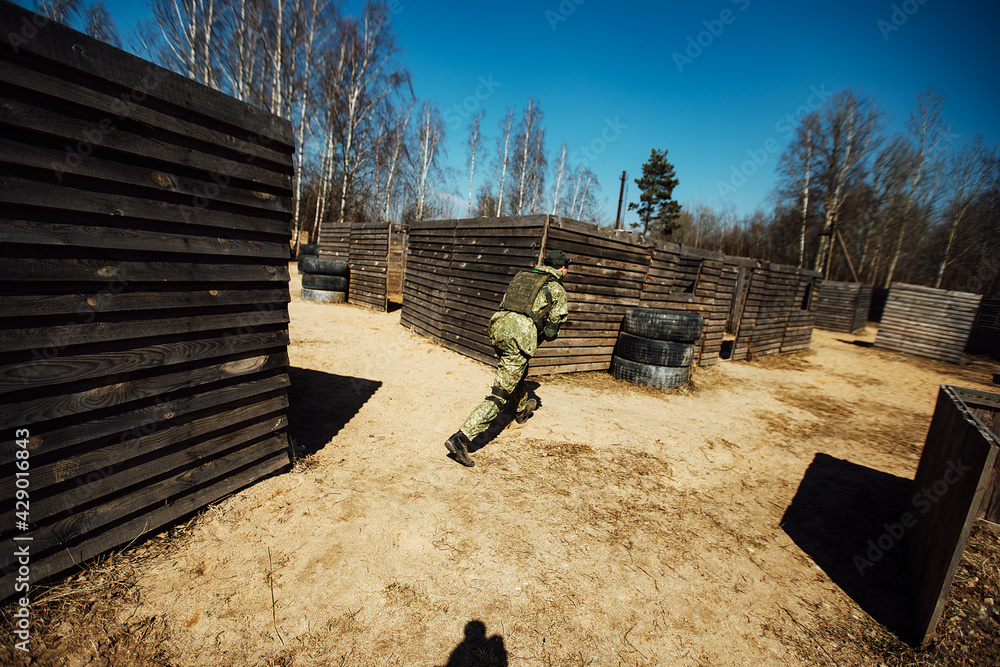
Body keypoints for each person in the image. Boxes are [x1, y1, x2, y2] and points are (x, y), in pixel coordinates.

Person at [445, 249, 572, 467]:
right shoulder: (556, 289)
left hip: (498, 326)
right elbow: (551, 334)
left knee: (514, 373)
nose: (567, 270)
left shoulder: (523, 277)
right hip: (519, 335)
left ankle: (522, 410)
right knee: (500, 392)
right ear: (561, 268)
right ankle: (461, 438)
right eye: (566, 266)